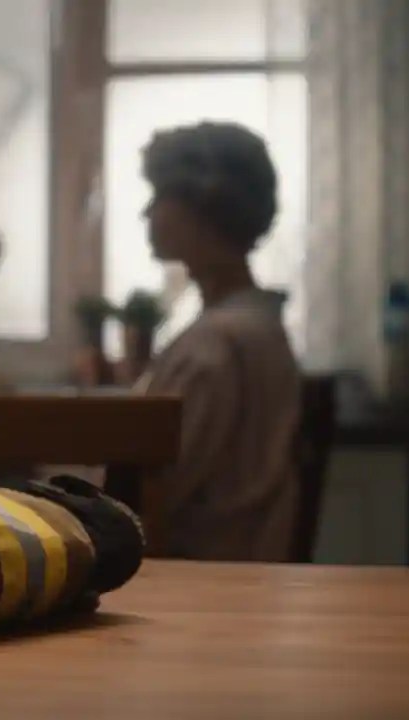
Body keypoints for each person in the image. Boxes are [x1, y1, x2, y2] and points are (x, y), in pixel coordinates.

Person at [135, 121, 300, 561]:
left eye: (158, 198)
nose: (146, 214)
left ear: (201, 207)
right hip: (246, 576)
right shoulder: (259, 326)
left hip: (194, 587)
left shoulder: (213, 346)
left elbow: (144, 492)